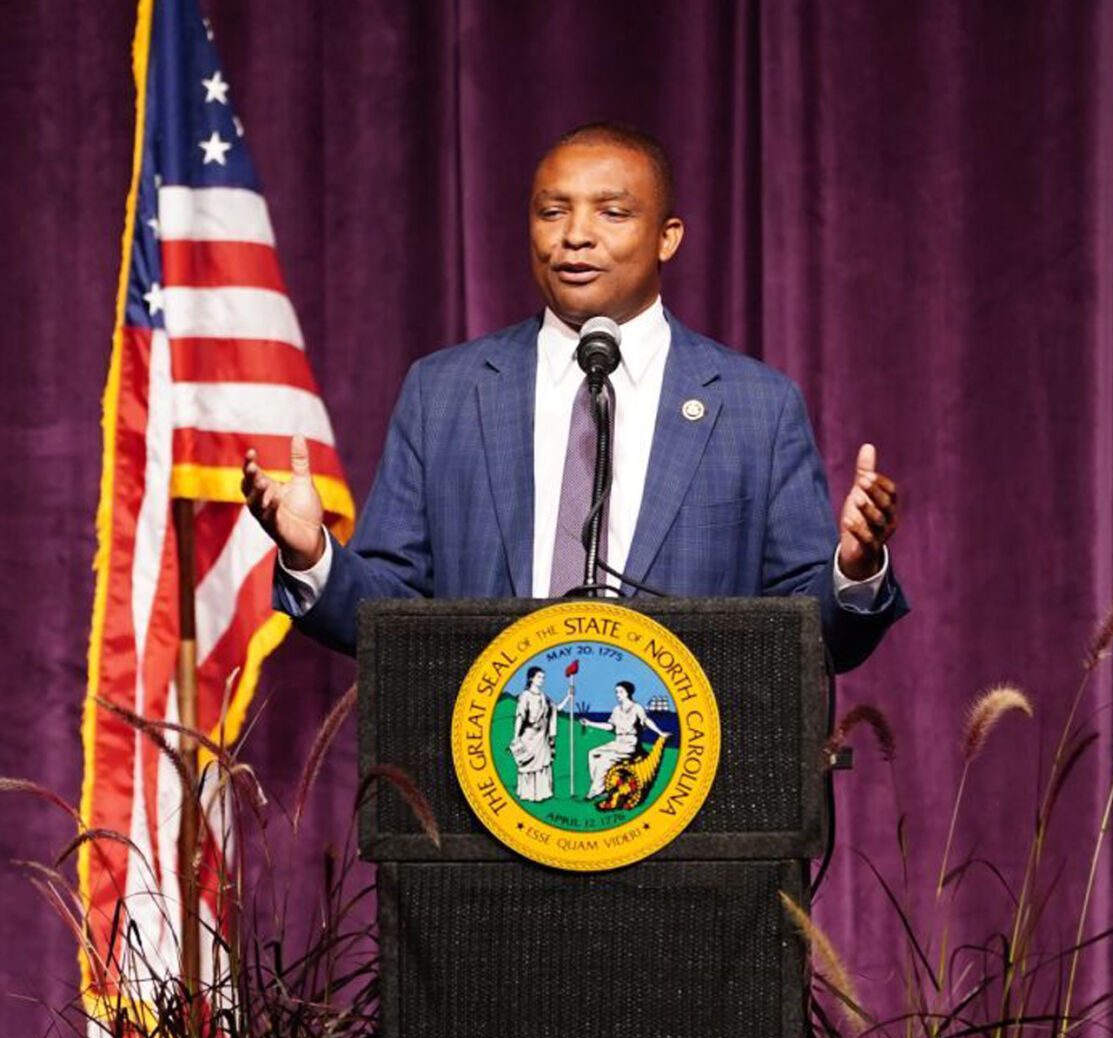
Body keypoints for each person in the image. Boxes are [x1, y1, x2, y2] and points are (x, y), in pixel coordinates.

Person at [242, 123, 907, 671]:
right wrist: (313, 557)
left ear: (667, 237)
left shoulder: (755, 407)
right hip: (487, 791)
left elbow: (811, 634)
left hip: (688, 801)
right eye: (552, 211)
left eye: (612, 213)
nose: (575, 236)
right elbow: (387, 617)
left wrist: (854, 568)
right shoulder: (444, 393)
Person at [585, 681, 669, 800]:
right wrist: (590, 723)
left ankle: (594, 791)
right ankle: (600, 787)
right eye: (616, 692)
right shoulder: (616, 710)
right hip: (617, 741)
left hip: (629, 744)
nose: (617, 694)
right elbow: (610, 726)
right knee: (592, 753)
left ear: (628, 693)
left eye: (620, 692)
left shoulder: (636, 708)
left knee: (604, 760)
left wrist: (660, 732)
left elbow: (646, 721)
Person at [509, 666, 558, 802]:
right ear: (531, 678)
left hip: (542, 736)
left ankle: (542, 793)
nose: (542, 680)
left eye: (543, 677)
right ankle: (528, 794)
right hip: (529, 736)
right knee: (528, 764)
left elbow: (555, 709)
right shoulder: (525, 696)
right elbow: (520, 716)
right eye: (539, 677)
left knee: (542, 764)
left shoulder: (543, 696)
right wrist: (515, 736)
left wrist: (569, 696)